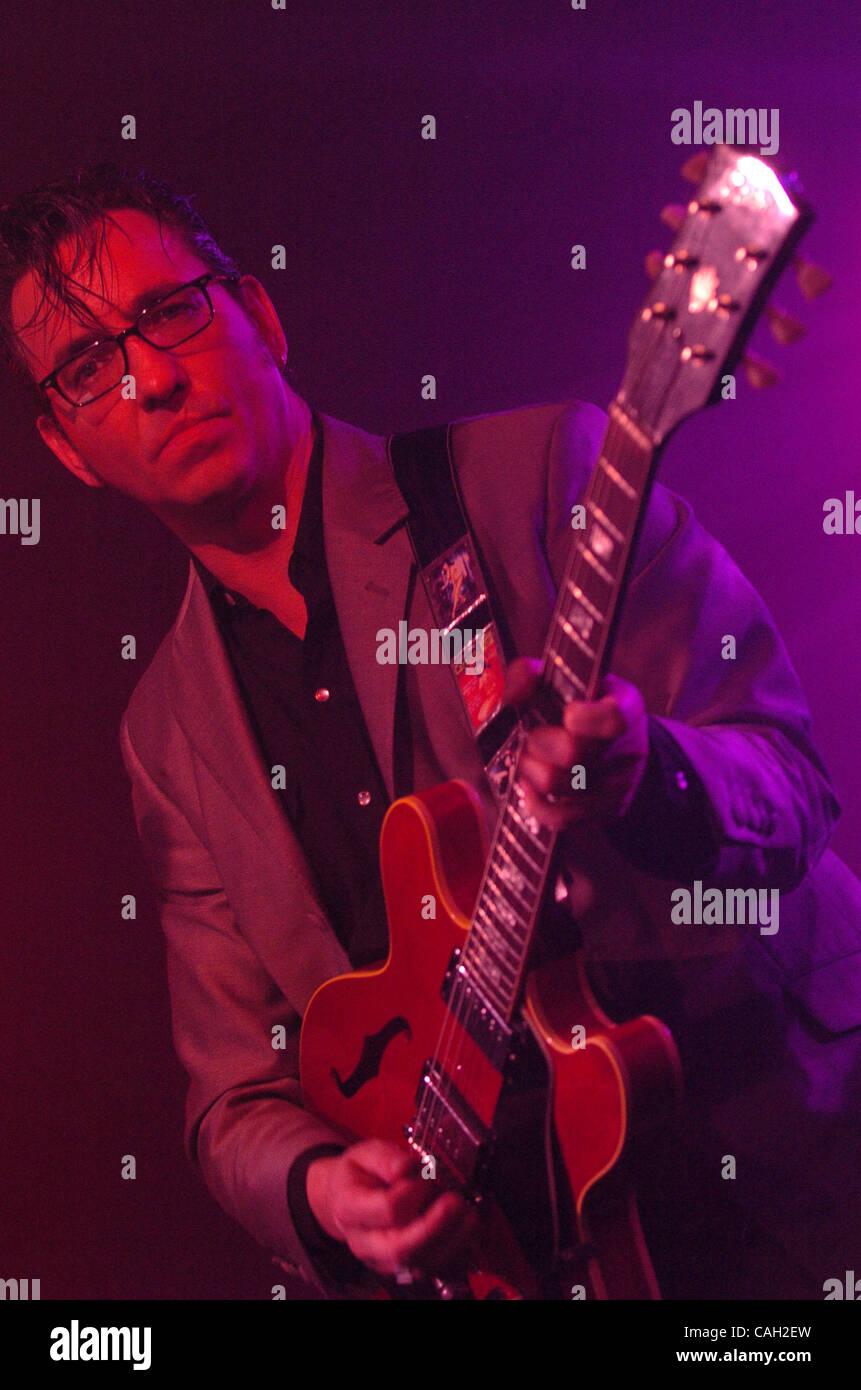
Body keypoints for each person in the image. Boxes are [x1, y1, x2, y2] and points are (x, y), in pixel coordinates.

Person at [3, 162, 860, 1300]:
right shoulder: (166, 732)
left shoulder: (538, 473)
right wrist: (320, 1188)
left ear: (259, 314)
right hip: (543, 1256)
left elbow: (793, 784)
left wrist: (646, 771)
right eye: (86, 365)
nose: (150, 378)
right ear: (67, 448)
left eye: (168, 311)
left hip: (781, 1162)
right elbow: (232, 1097)